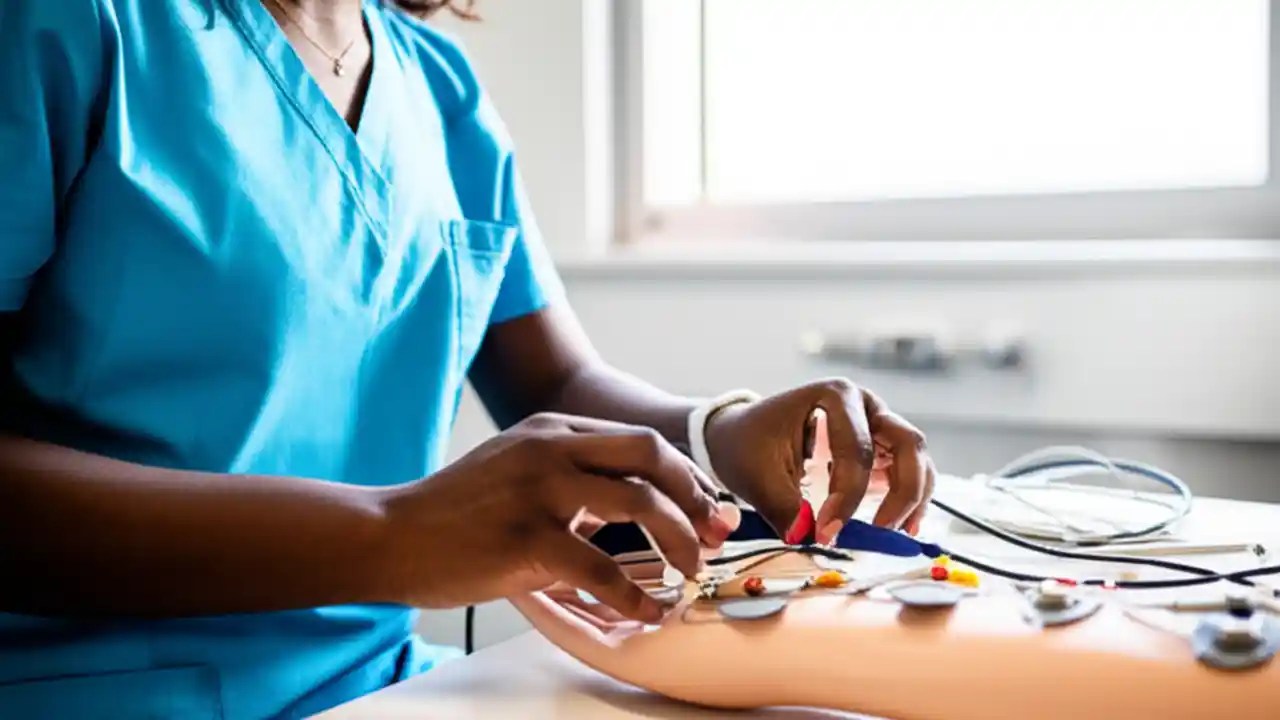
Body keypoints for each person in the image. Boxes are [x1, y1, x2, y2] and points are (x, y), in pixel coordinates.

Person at [0, 0, 935, 717]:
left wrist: (722, 432)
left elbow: (555, 381)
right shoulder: (70, 30)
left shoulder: (435, 85)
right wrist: (393, 535)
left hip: (387, 685)